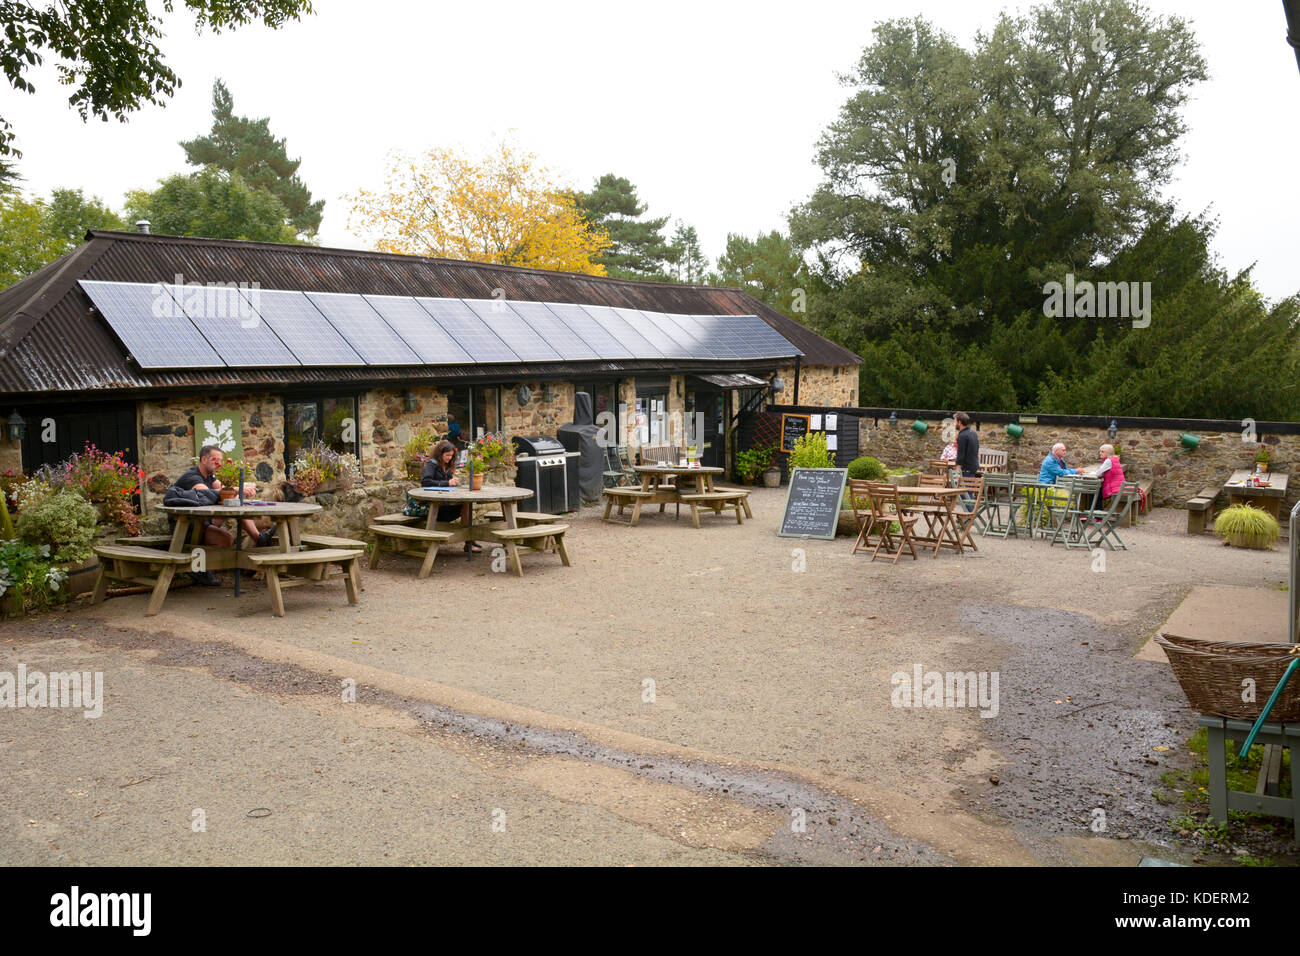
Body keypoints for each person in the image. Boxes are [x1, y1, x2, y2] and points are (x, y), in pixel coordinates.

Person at [174, 445, 273, 549]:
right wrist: (237, 489)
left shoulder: (209, 476)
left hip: (203, 520)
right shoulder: (192, 476)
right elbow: (206, 493)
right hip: (187, 526)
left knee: (235, 502)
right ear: (204, 459)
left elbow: (224, 489)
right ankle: (212, 562)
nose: (219, 464)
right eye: (215, 460)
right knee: (226, 539)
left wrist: (239, 491)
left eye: (220, 461)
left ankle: (259, 538)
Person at [421, 439, 481, 552]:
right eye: (447, 455)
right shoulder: (431, 464)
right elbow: (425, 482)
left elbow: (448, 485)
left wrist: (453, 482)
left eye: (451, 455)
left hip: (445, 505)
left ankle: (469, 540)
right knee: (466, 505)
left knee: (467, 503)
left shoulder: (447, 467)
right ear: (440, 453)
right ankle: (469, 541)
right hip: (434, 508)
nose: (449, 458)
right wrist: (447, 483)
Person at [1090, 443, 1126, 513]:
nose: (1100, 453)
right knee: (1096, 491)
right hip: (1119, 486)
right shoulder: (1115, 459)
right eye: (1100, 451)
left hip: (1114, 488)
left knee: (1094, 492)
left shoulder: (1108, 461)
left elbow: (1098, 473)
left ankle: (1098, 517)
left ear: (1108, 452)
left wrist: (1090, 473)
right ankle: (1095, 515)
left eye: (1102, 451)